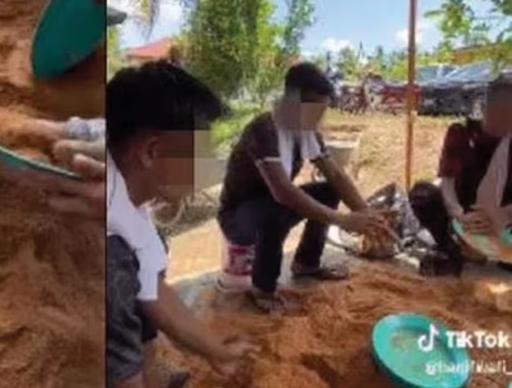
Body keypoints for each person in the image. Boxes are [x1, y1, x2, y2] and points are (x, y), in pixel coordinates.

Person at [106, 61, 256, 388]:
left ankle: (140, 371)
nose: (205, 167)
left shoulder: (128, 196)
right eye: (198, 153)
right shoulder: (110, 256)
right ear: (152, 152)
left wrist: (215, 351)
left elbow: (153, 288)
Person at [217, 62, 393, 314]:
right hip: (237, 217)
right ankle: (263, 288)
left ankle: (306, 264)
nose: (317, 120)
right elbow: (283, 191)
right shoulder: (264, 129)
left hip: (272, 206)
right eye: (313, 111)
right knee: (276, 208)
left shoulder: (306, 131)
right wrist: (344, 220)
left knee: (328, 191)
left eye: (321, 112)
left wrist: (368, 217)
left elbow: (335, 174)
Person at [410, 77, 512, 274]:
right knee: (422, 195)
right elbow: (447, 181)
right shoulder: (461, 133)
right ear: (484, 108)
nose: (503, 125)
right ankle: (455, 248)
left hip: (505, 218)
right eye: (498, 116)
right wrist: (458, 214)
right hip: (464, 213)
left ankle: (499, 254)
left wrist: (501, 216)